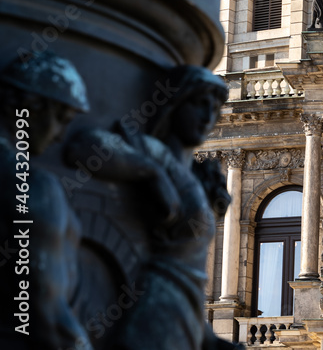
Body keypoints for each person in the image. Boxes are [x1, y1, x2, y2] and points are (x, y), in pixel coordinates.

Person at [63, 66, 236, 350]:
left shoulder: (194, 175)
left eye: (214, 108)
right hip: (156, 308)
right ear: (177, 103)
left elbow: (193, 272)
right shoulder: (156, 154)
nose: (208, 117)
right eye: (199, 104)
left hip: (183, 309)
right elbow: (83, 146)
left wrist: (209, 338)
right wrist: (151, 172)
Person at [0, 53, 92, 350]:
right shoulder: (32, 186)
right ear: (32, 107)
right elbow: (48, 316)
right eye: (60, 119)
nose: (59, 136)